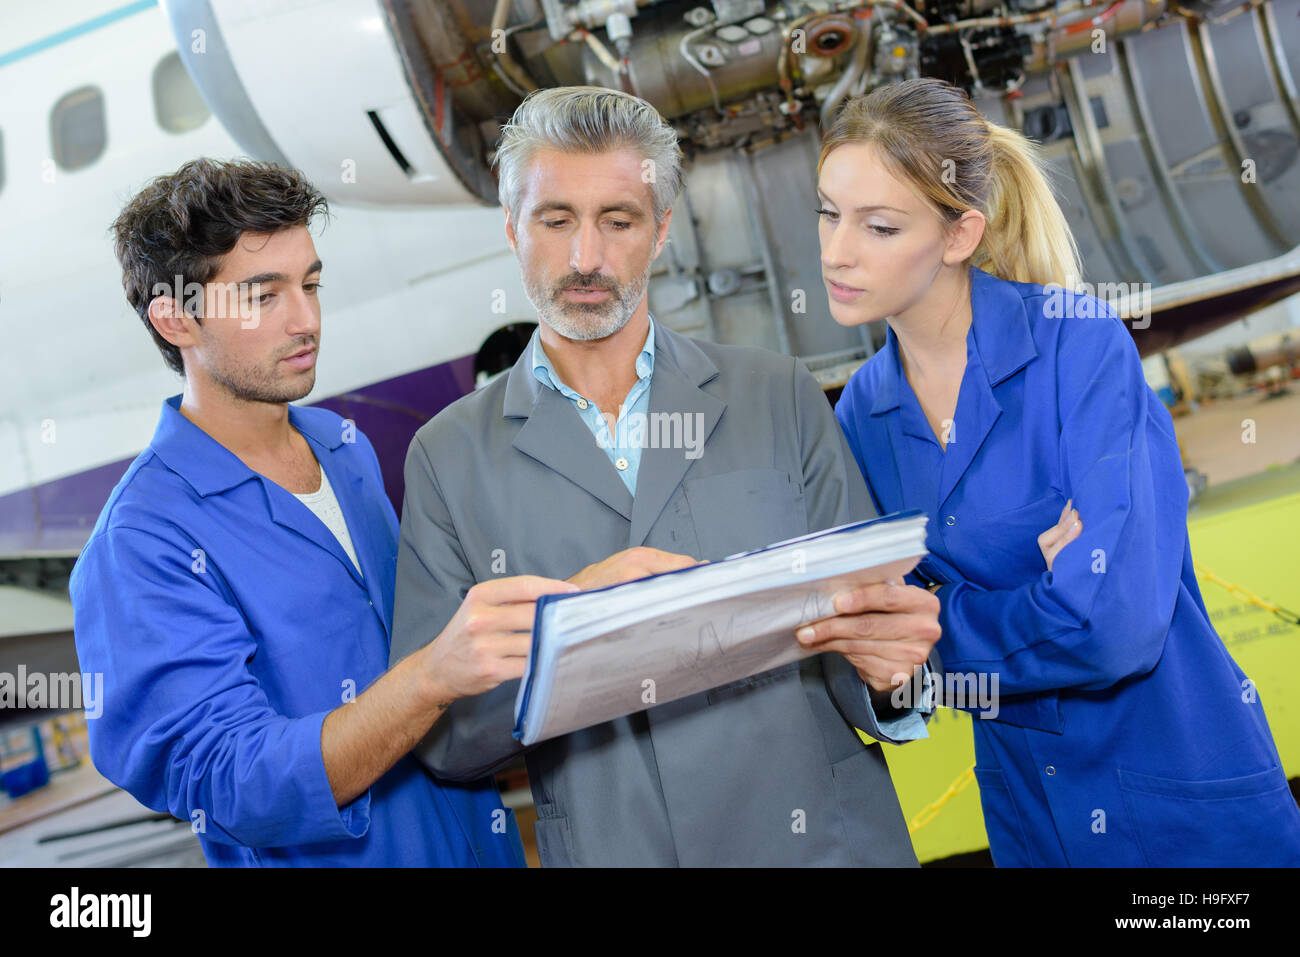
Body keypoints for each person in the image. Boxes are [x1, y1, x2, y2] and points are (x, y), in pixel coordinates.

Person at [388, 86, 943, 867]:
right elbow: (446, 737)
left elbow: (866, 647)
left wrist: (894, 677)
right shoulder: (447, 458)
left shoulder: (776, 392)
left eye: (619, 221)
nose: (586, 258)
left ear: (662, 232)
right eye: (556, 220)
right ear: (513, 227)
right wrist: (572, 632)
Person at [821, 77, 1300, 866]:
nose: (837, 251)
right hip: (1031, 819)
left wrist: (944, 619)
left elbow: (1113, 629)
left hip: (1186, 812)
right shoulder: (861, 415)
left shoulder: (1079, 347)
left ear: (958, 234)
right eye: (828, 213)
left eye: (877, 225)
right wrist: (1039, 600)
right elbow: (883, 653)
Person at [70, 158, 575, 866]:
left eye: (310, 284)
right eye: (261, 295)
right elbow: (232, 782)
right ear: (173, 317)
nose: (305, 319)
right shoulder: (141, 542)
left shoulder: (345, 449)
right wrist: (432, 675)